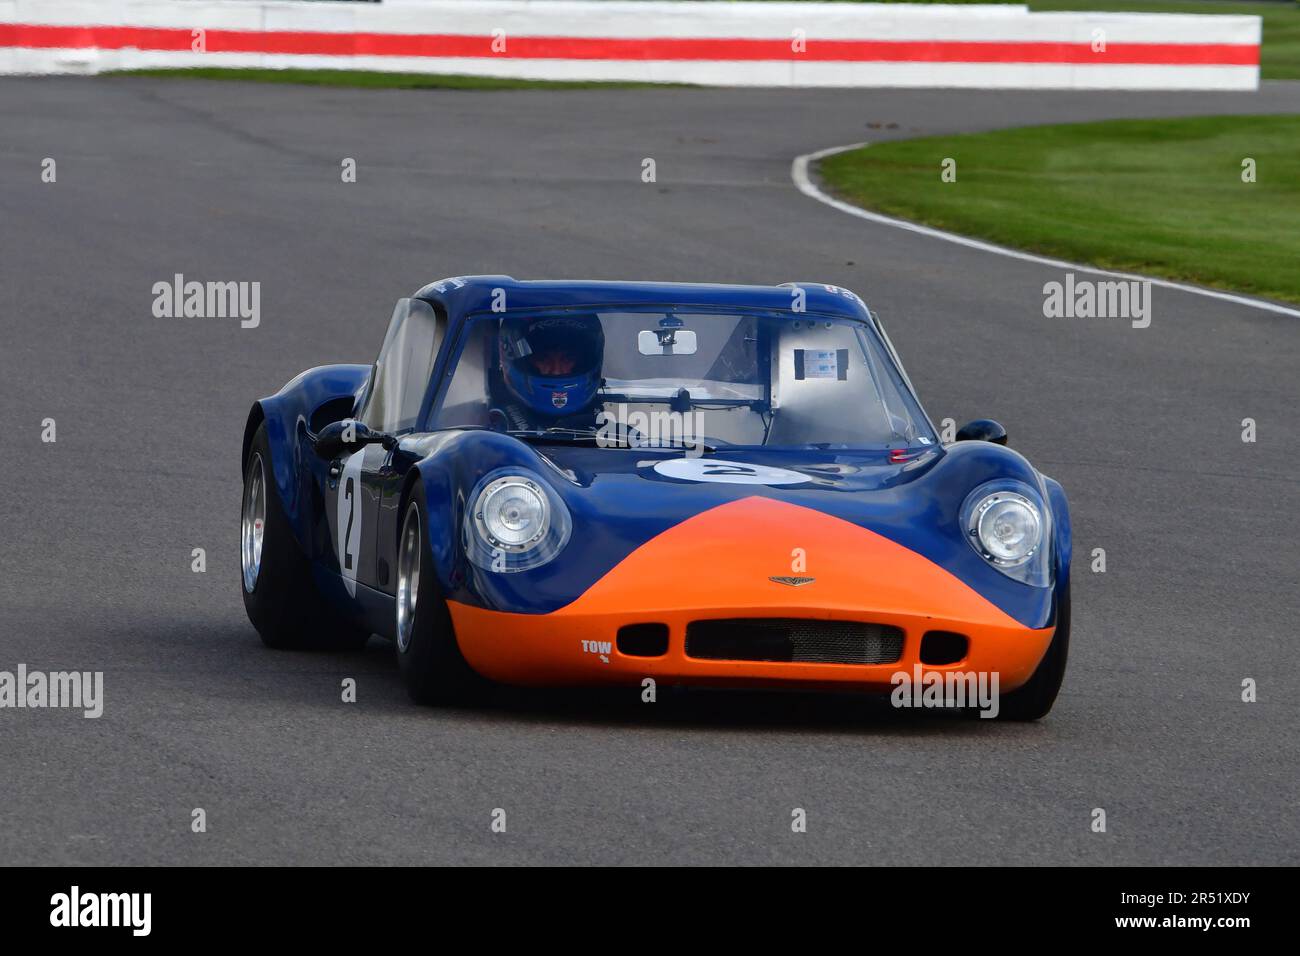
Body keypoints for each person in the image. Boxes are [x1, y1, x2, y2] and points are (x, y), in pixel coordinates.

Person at [489, 313, 606, 432]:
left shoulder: (615, 416)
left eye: (568, 358)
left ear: (585, 360)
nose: (556, 370)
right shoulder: (486, 419)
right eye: (543, 358)